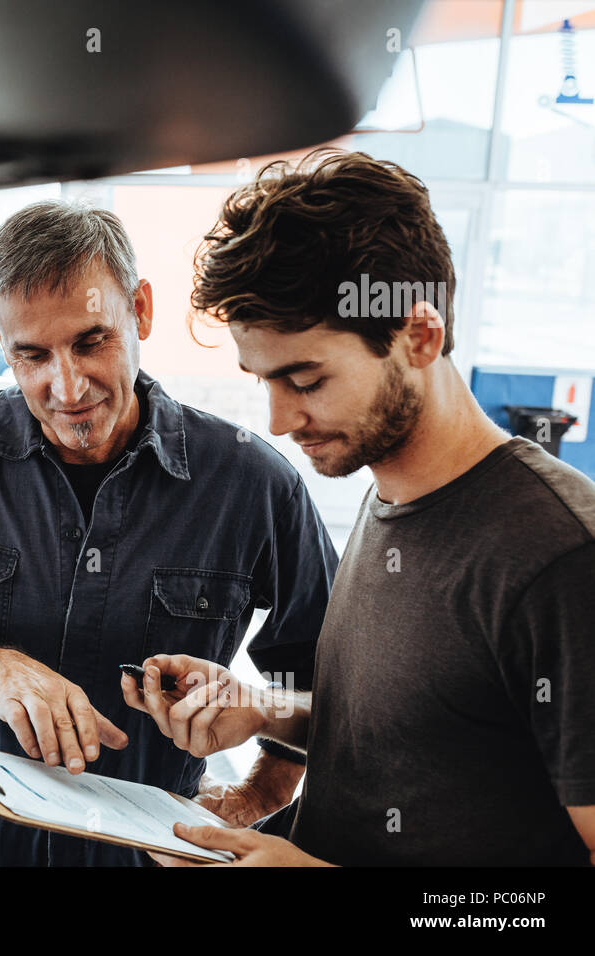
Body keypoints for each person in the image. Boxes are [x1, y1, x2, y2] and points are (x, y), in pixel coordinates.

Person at [0, 199, 339, 866]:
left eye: (91, 341)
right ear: (1, 342)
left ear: (142, 310)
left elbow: (327, 680)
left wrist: (256, 793)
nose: (65, 387)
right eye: (31, 355)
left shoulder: (250, 483)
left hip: (151, 856)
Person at [124, 149, 595, 866]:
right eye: (264, 382)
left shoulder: (559, 558)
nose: (280, 419)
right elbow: (427, 742)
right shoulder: (391, 497)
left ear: (419, 336)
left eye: (306, 379)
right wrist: (261, 710)